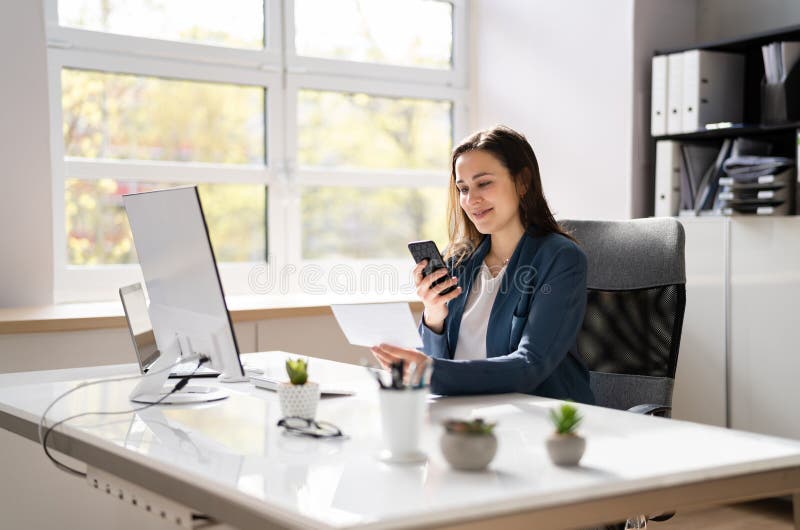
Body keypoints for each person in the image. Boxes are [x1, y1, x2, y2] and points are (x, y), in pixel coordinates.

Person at [371, 125, 594, 403]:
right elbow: (439, 365)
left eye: (484, 183)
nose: (471, 199)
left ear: (523, 181)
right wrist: (434, 315)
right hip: (466, 413)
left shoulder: (560, 258)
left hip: (539, 419)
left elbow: (530, 365)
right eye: (463, 188)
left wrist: (429, 372)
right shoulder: (459, 260)